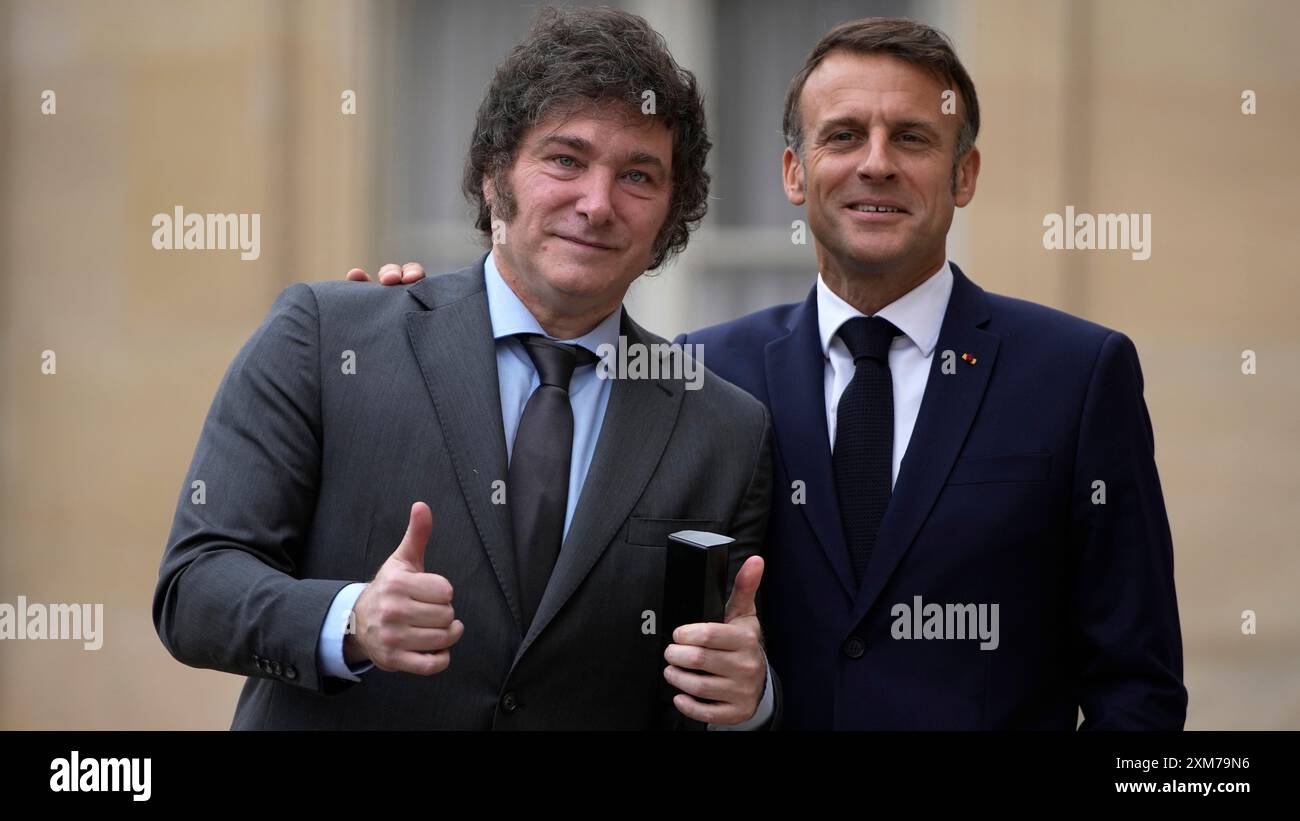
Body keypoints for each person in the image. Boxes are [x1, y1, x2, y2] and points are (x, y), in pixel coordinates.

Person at [354, 17, 1187, 730]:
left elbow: (1137, 685)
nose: (876, 164)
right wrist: (418, 333)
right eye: (842, 135)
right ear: (794, 173)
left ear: (963, 175)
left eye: (912, 139)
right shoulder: (696, 376)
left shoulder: (1079, 374)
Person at [155, 6, 776, 731]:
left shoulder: (724, 428)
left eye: (638, 175)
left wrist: (750, 702)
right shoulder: (324, 338)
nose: (597, 203)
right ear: (493, 174)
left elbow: (702, 685)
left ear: (672, 215)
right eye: (566, 160)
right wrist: (350, 618)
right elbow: (194, 588)